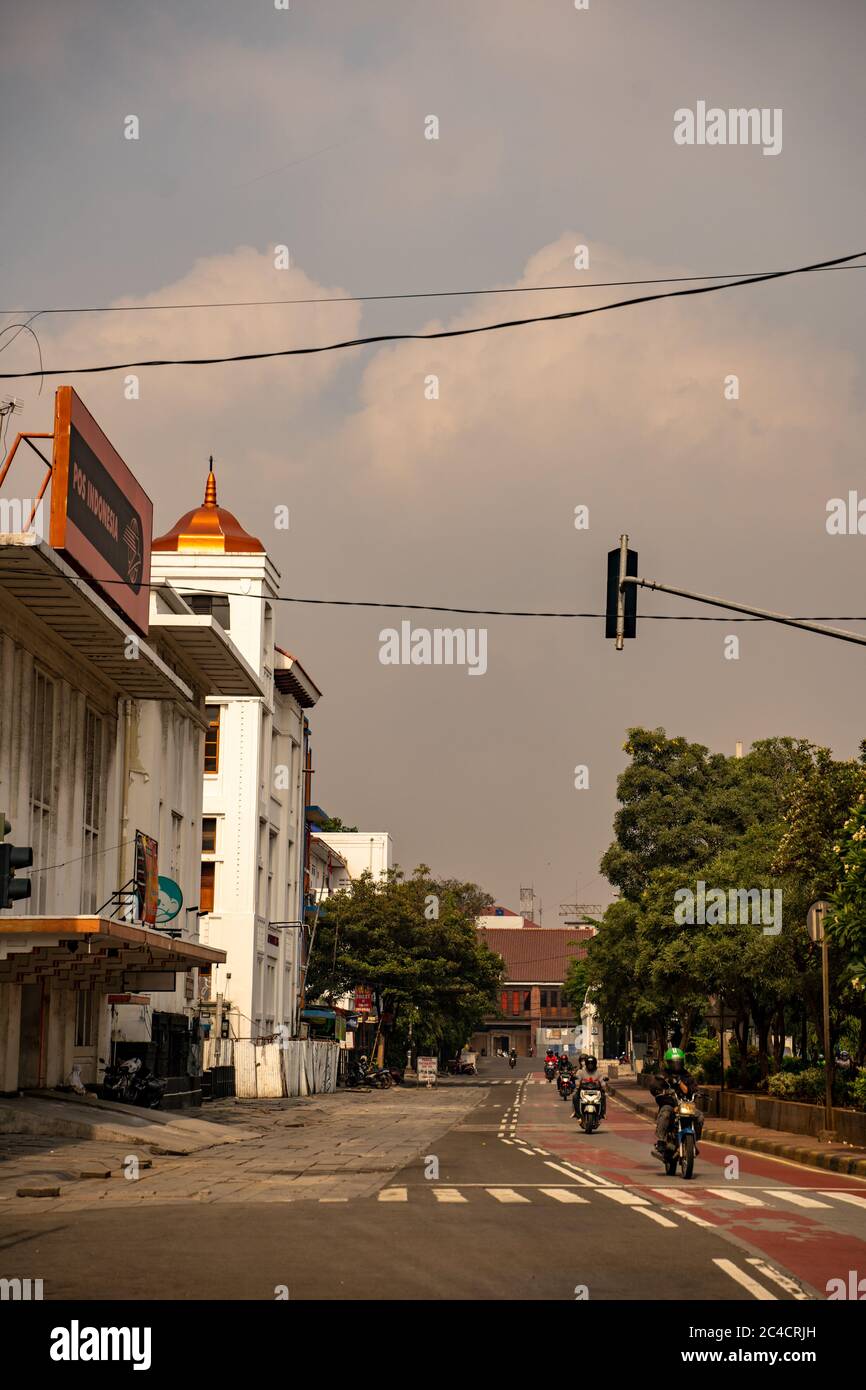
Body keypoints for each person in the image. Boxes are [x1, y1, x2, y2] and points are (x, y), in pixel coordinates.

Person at [651, 1047, 702, 1156]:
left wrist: (693, 1091)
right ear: (668, 1063)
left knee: (699, 1116)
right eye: (674, 1062)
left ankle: (693, 1142)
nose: (676, 1065)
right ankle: (661, 1142)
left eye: (679, 1062)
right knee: (665, 1114)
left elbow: (693, 1089)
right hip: (670, 1105)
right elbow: (654, 1088)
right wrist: (662, 1092)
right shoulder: (663, 1075)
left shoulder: (687, 1076)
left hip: (685, 1105)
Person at [572, 1054, 606, 1120]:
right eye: (589, 1063)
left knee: (603, 1097)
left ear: (595, 1064)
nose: (590, 1065)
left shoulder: (598, 1072)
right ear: (586, 1064)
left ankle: (602, 1113)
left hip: (596, 1091)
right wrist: (577, 1084)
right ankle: (577, 1113)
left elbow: (602, 1080)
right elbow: (577, 1079)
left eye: (592, 1064)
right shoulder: (581, 1072)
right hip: (583, 1091)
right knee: (575, 1097)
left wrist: (603, 1085)